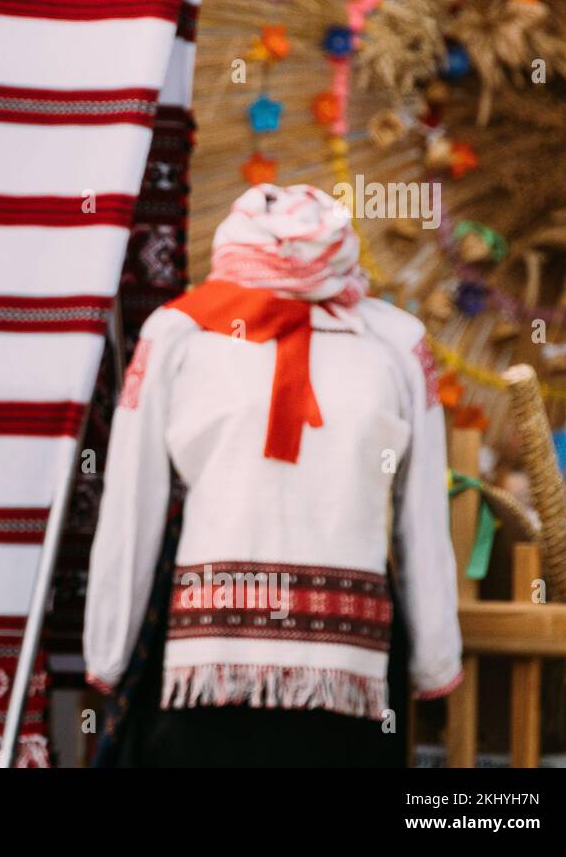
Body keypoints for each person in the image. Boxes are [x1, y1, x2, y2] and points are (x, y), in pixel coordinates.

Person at [83, 183, 463, 766]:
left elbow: (422, 514)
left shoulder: (396, 342)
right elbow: (134, 499)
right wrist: (108, 645)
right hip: (210, 669)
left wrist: (435, 654)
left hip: (345, 675)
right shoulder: (180, 334)